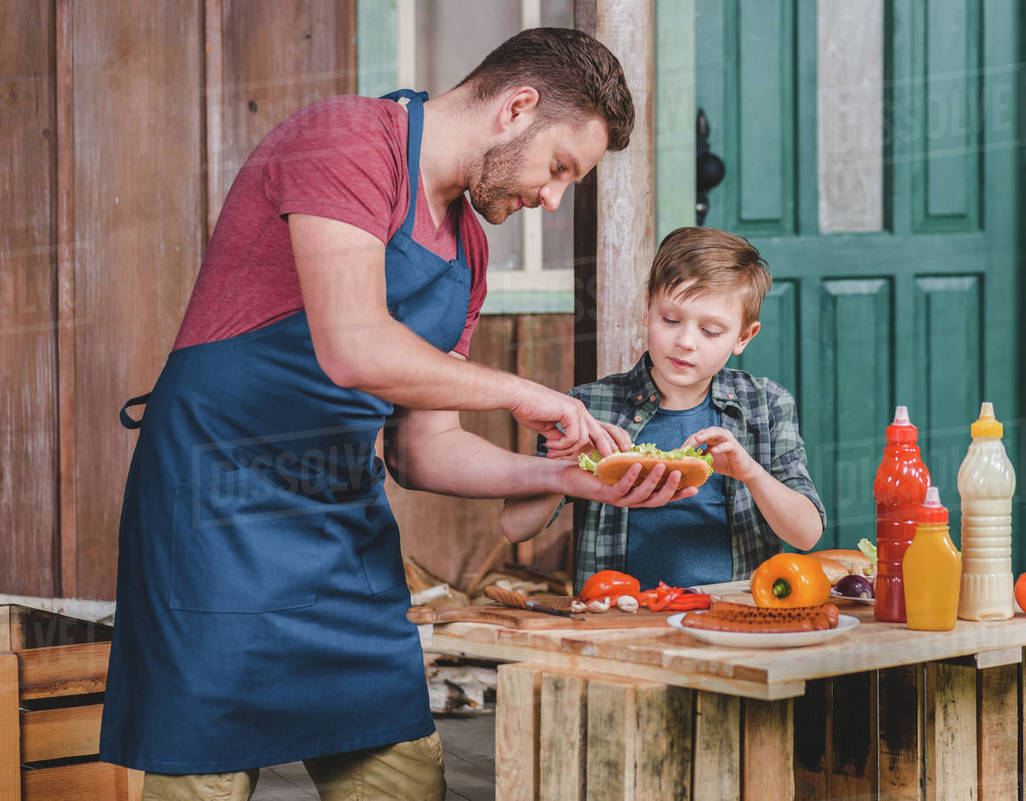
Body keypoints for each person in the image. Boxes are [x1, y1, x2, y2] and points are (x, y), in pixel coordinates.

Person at [100, 28, 691, 801]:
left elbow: (422, 448)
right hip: (216, 510)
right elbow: (354, 347)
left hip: (339, 524)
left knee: (402, 772)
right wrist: (523, 393)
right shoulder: (346, 141)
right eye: (559, 169)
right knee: (203, 776)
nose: (550, 198)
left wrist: (567, 477)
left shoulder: (467, 254)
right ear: (516, 107)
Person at [501, 227, 826, 590]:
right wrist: (566, 461)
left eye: (711, 331)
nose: (685, 342)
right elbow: (515, 527)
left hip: (735, 620)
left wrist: (749, 472)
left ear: (743, 337)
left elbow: (806, 534)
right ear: (647, 309)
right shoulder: (589, 406)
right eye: (670, 320)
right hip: (618, 618)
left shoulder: (766, 404)